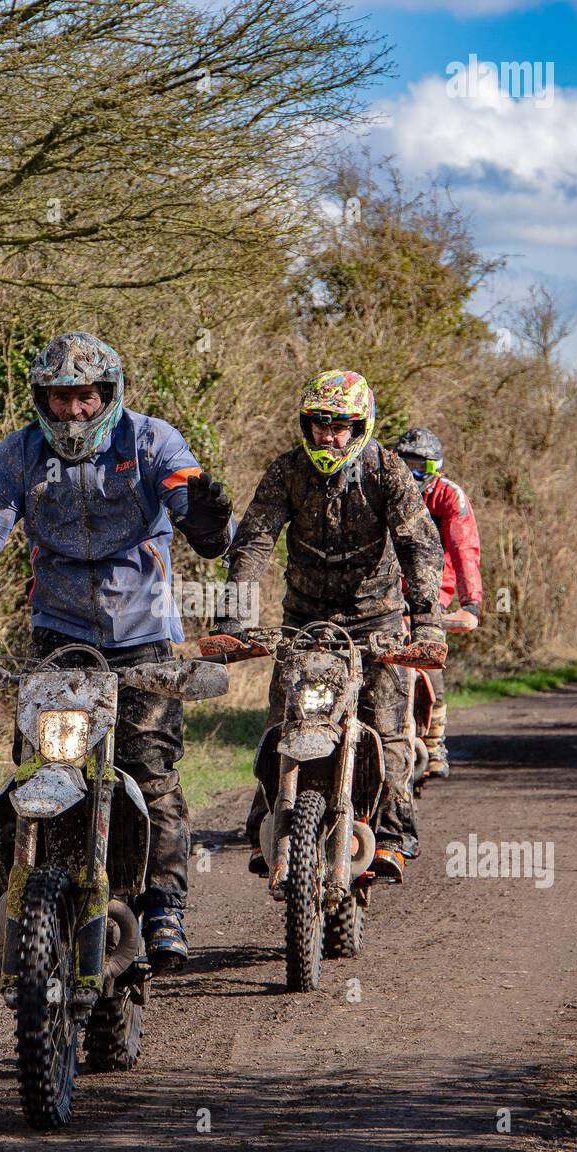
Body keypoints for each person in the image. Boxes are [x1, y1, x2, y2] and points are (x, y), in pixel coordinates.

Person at [0, 331, 235, 969]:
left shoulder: (150, 440)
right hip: (57, 638)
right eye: (59, 398)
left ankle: (164, 906)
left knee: (150, 770)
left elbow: (195, 511)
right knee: (39, 772)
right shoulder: (19, 455)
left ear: (109, 394)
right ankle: (21, 893)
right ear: (41, 397)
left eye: (85, 396)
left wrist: (204, 518)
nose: (72, 411)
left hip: (144, 638)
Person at [213, 370, 445, 884]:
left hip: (377, 618)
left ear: (360, 426)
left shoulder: (387, 471)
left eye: (341, 426)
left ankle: (391, 834)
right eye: (320, 424)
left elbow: (419, 544)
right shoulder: (286, 471)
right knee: (282, 724)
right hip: (305, 619)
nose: (329, 436)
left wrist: (426, 624)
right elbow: (253, 542)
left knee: (388, 730)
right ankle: (267, 825)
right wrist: (233, 618)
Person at [393, 427, 482, 777]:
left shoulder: (449, 496)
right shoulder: (383, 490)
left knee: (430, 649)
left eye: (421, 469)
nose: (413, 477)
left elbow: (464, 550)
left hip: (433, 592)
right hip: (382, 590)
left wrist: (471, 602)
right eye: (405, 466)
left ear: (436, 470)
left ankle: (434, 740)